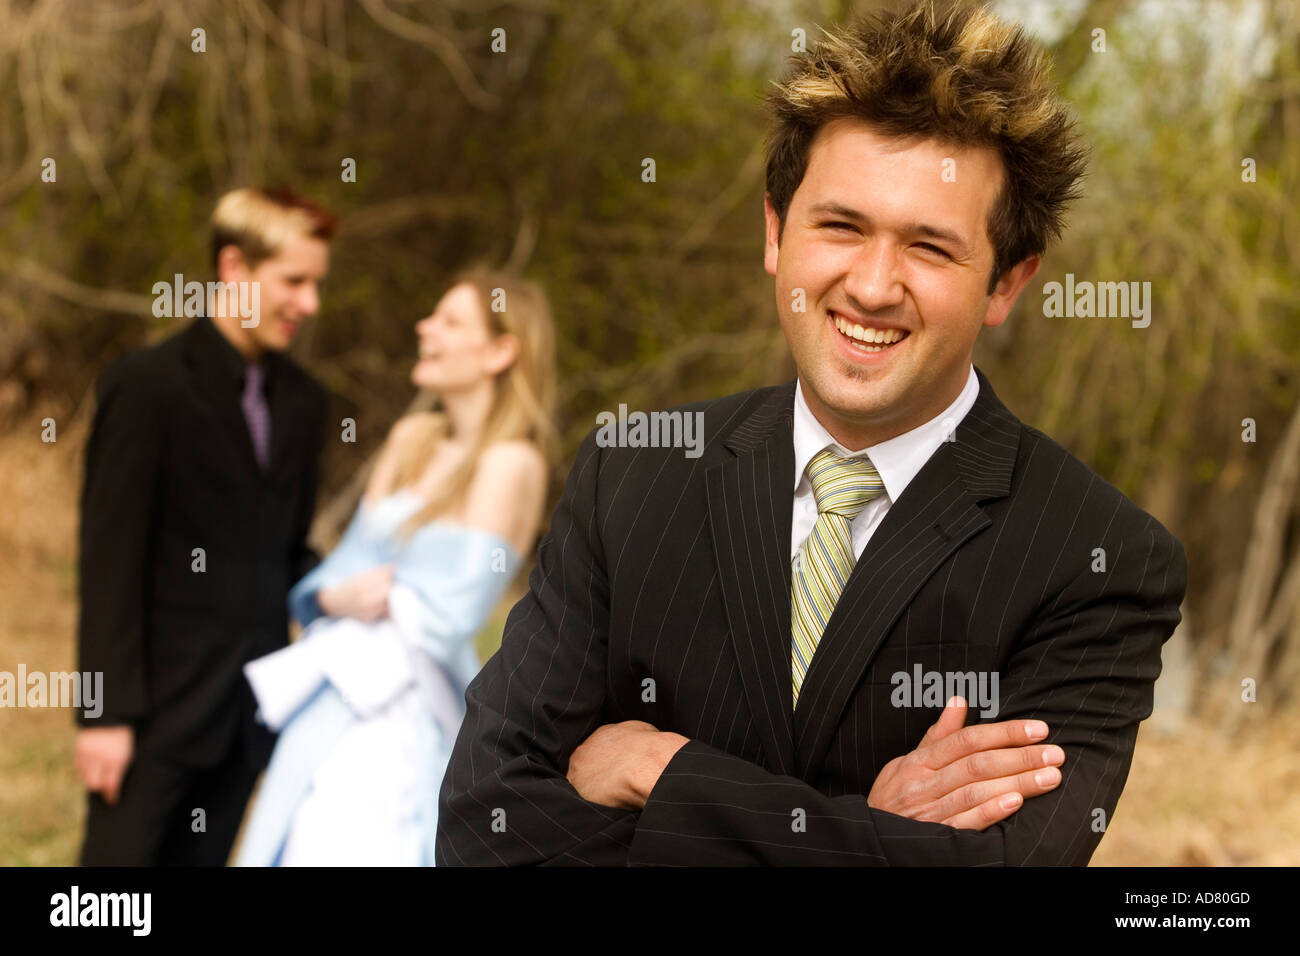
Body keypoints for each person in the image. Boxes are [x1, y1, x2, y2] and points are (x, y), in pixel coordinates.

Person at [436, 1, 1188, 866]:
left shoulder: (1098, 559)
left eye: (930, 249)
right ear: (774, 232)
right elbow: (482, 824)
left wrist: (666, 770)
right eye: (841, 226)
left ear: (1007, 285)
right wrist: (865, 830)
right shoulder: (632, 474)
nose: (871, 285)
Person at [234, 270, 554, 866]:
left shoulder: (512, 461)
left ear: (501, 350)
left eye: (450, 321)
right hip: (335, 691)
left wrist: (377, 595)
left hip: (408, 707)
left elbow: (454, 608)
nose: (423, 328)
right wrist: (340, 599)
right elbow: (339, 574)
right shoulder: (411, 438)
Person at [75, 186, 336, 865]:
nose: (309, 305)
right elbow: (108, 560)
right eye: (294, 282)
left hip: (246, 721)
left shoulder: (306, 405)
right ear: (233, 269)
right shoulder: (146, 387)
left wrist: (347, 588)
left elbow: (285, 551)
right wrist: (104, 714)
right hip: (150, 718)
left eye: (317, 285)